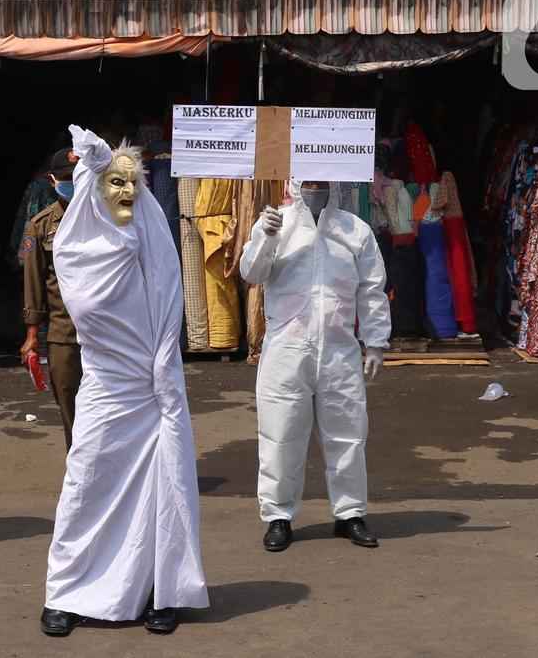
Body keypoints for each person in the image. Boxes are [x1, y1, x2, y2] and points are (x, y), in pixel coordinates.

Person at [41, 126, 207, 637]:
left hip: (154, 388)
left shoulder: (151, 239)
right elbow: (88, 311)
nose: (127, 192)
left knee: (164, 491)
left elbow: (167, 305)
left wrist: (162, 370)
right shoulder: (75, 250)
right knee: (85, 483)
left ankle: (162, 591)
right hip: (106, 388)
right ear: (94, 188)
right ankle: (66, 591)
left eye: (133, 182)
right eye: (115, 182)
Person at [239, 181, 390, 552]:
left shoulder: (355, 230)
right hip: (287, 348)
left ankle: (350, 513)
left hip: (339, 349)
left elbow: (371, 289)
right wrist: (264, 237)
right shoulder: (278, 223)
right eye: (307, 176)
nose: (315, 184)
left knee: (348, 433)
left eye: (324, 175)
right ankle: (278, 516)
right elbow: (252, 274)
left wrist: (375, 342)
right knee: (280, 433)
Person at [20, 147, 82, 450]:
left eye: (78, 176)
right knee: (69, 403)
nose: (73, 182)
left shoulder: (108, 217)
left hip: (105, 332)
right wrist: (32, 334)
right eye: (67, 177)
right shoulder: (41, 225)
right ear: (53, 180)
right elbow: (34, 282)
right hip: (64, 333)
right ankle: (79, 471)